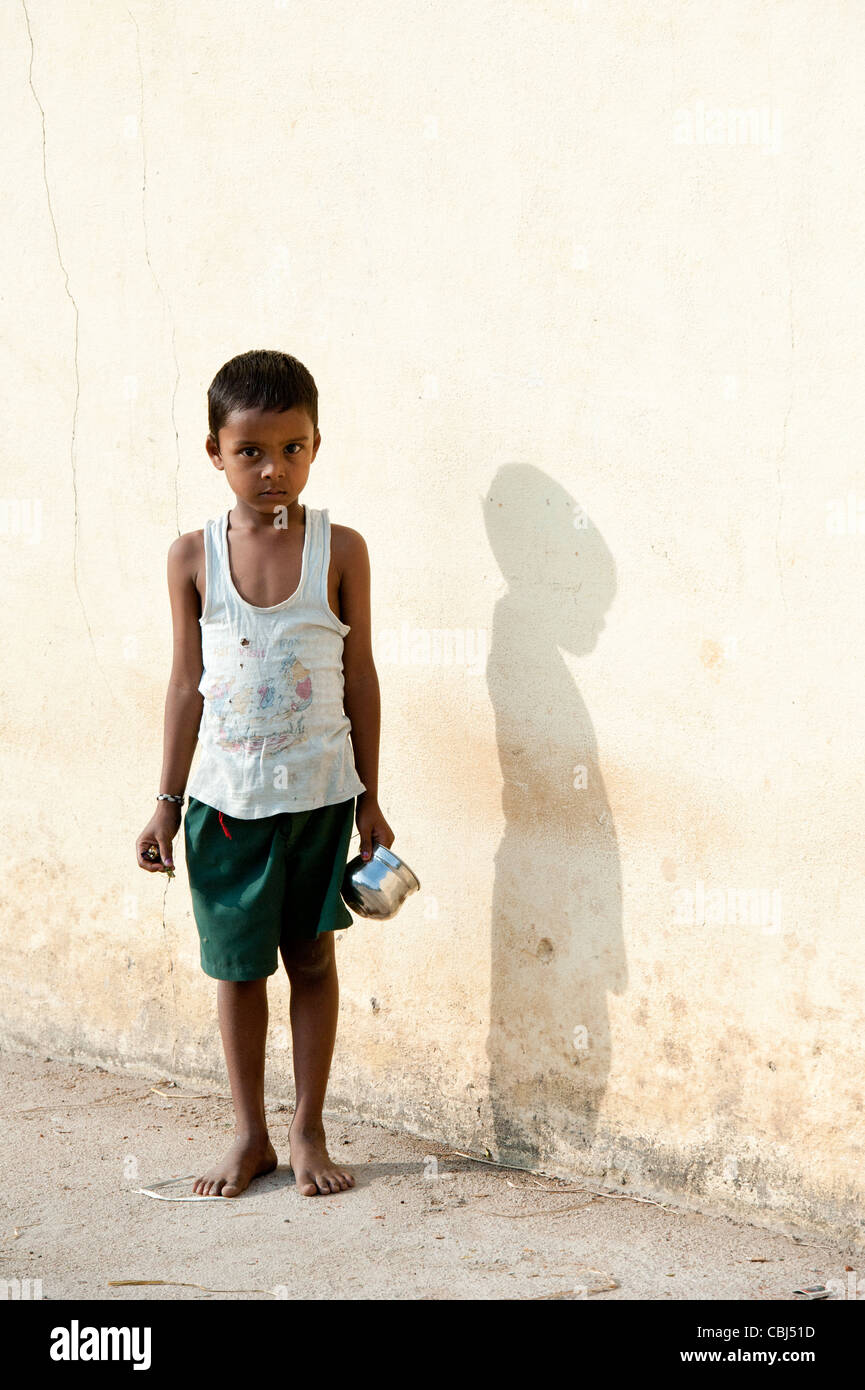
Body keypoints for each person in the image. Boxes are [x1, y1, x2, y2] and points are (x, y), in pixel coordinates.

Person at [135, 348, 393, 1198]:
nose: (272, 469)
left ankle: (308, 1129)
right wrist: (166, 805)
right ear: (215, 452)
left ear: (315, 447)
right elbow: (185, 684)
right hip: (224, 806)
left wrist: (371, 801)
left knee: (311, 961)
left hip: (320, 799)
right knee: (237, 969)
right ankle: (249, 1136)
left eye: (292, 448)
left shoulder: (340, 549)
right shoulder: (191, 557)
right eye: (250, 451)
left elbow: (359, 679)